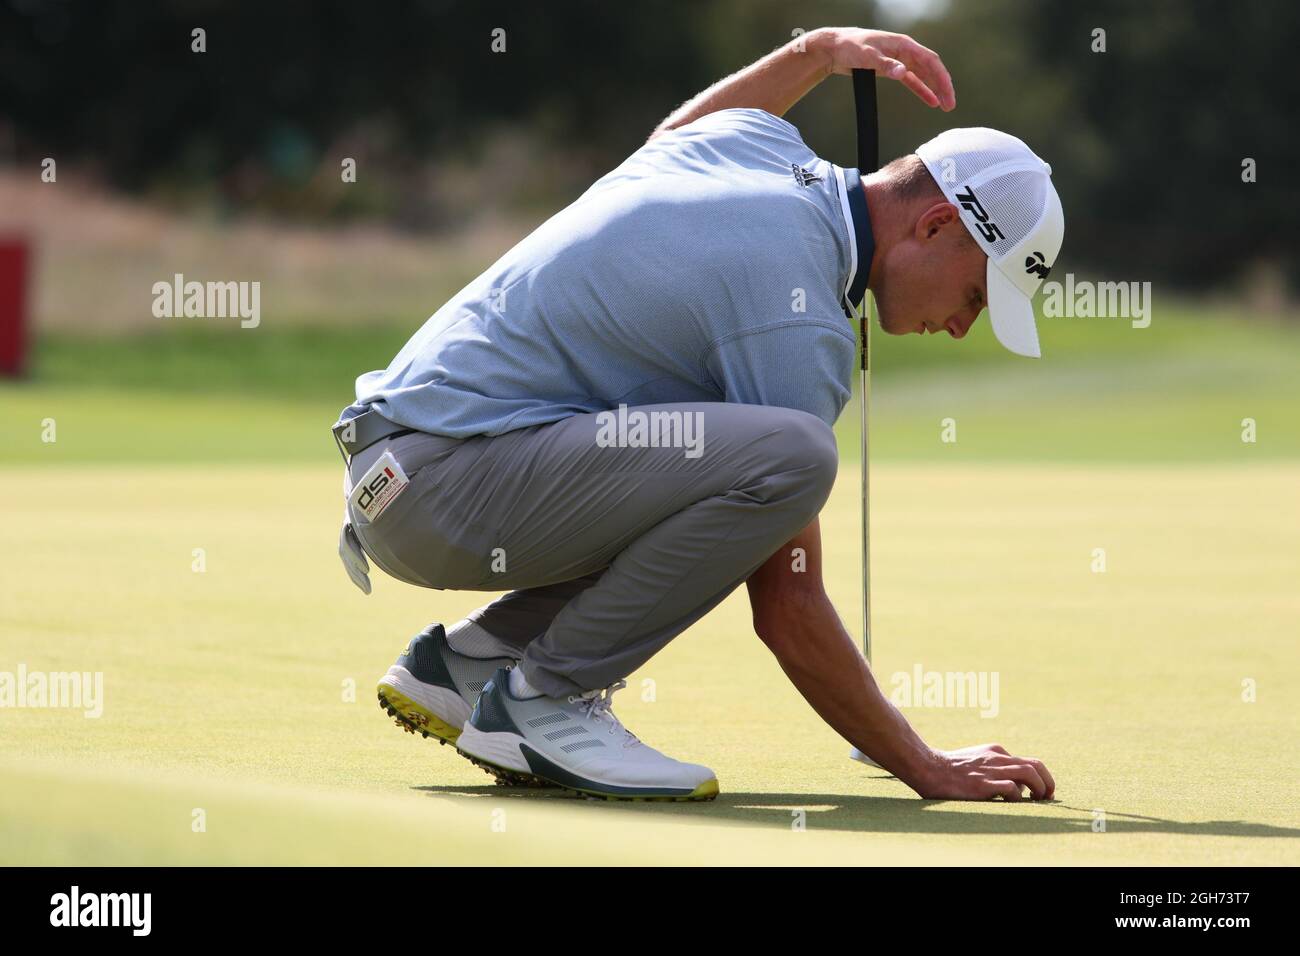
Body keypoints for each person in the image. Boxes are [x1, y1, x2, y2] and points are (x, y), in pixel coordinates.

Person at [334, 26, 1061, 802]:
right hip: (446, 488)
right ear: (939, 224)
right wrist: (925, 764)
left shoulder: (747, 144)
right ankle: (542, 699)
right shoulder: (803, 323)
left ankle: (469, 664)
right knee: (794, 459)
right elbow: (788, 601)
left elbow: (664, 142)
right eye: (978, 295)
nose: (962, 325)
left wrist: (811, 53)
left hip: (401, 471)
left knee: (700, 466)